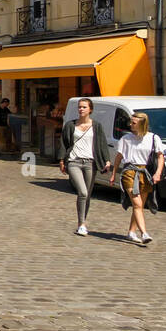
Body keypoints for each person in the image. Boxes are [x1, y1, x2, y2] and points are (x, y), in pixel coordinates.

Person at [109, 112, 166, 246]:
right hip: (129, 172)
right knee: (137, 204)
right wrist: (114, 173)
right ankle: (144, 233)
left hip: (145, 173)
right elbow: (119, 157)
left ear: (142, 124)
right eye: (131, 122)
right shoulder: (126, 138)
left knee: (139, 206)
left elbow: (160, 156)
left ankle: (131, 232)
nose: (130, 124)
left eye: (133, 122)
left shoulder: (153, 138)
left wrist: (157, 173)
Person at [58, 97, 113, 236]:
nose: (81, 109)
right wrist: (61, 160)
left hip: (90, 163)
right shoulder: (70, 125)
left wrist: (107, 160)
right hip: (74, 162)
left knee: (87, 195)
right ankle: (81, 224)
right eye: (79, 107)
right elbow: (64, 143)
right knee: (82, 192)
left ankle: (82, 222)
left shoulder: (97, 126)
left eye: (84, 107)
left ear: (90, 110)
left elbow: (102, 143)